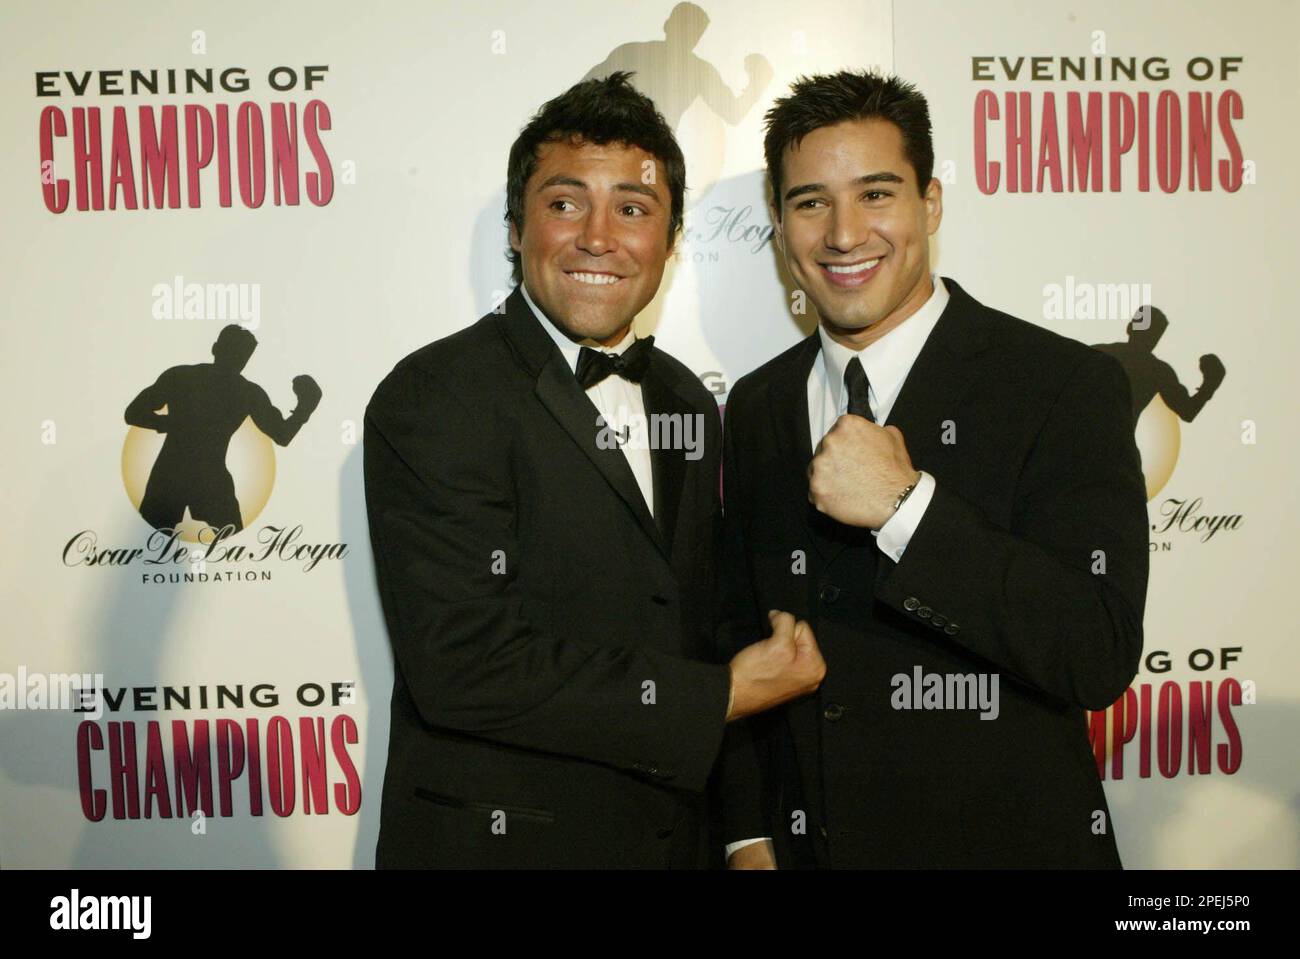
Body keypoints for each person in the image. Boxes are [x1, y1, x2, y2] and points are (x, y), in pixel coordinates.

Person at [363, 72, 823, 869]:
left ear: (672, 241)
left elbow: (697, 617)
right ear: (516, 227)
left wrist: (744, 829)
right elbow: (464, 664)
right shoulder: (433, 395)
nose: (598, 237)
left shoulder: (684, 394)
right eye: (566, 202)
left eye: (634, 209)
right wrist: (717, 696)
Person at [717, 70, 1148, 869]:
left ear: (932, 204)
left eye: (876, 193)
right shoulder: (756, 403)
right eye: (811, 202)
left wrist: (908, 508)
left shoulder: (1061, 384)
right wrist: (747, 832)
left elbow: (1096, 649)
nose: (844, 234)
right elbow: (738, 636)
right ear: (780, 226)